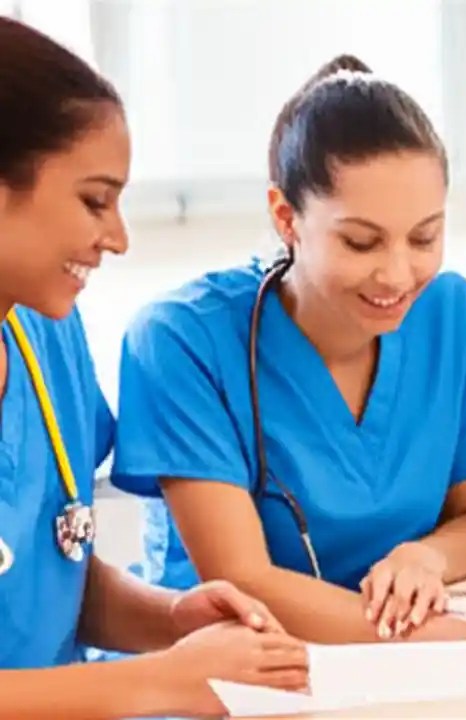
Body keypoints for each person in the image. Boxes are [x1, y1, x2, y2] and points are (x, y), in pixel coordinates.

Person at [110, 55, 466, 681]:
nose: (396, 275)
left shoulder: (449, 313)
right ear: (287, 219)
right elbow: (243, 577)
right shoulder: (181, 339)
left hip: (403, 654)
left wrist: (426, 559)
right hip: (236, 671)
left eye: (424, 237)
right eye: (361, 242)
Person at [0, 17, 309, 719]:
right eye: (94, 200)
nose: (117, 237)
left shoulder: (45, 336)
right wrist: (159, 681)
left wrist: (174, 620)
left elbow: (55, 576)